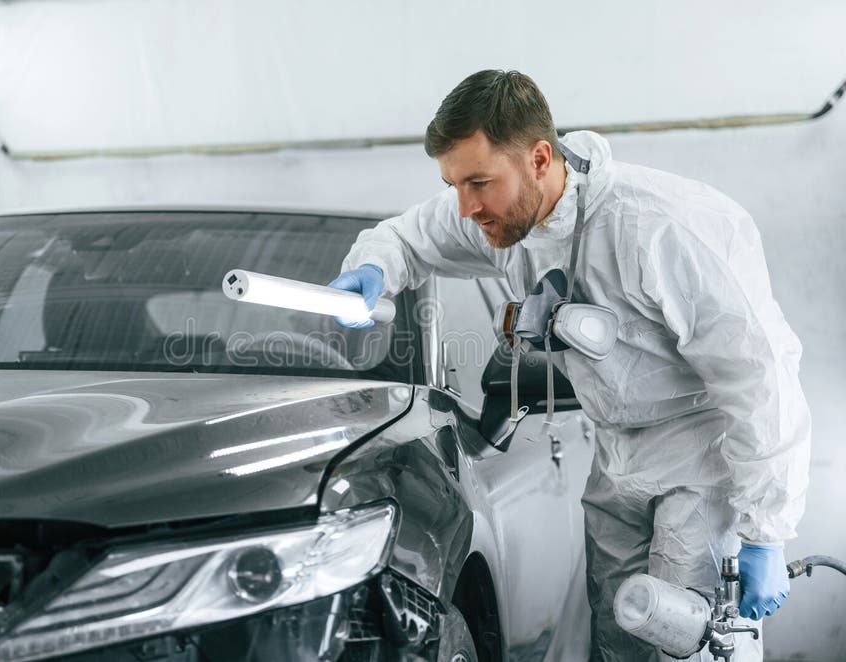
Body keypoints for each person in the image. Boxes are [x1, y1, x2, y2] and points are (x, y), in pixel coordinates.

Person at [329, 70, 811, 661]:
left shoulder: (659, 227)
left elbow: (758, 378)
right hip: (614, 458)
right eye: (454, 185)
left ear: (538, 157)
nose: (466, 206)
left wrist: (766, 531)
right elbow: (405, 238)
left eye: (478, 182)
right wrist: (375, 268)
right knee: (618, 640)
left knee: (690, 647)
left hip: (702, 464)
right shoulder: (501, 219)